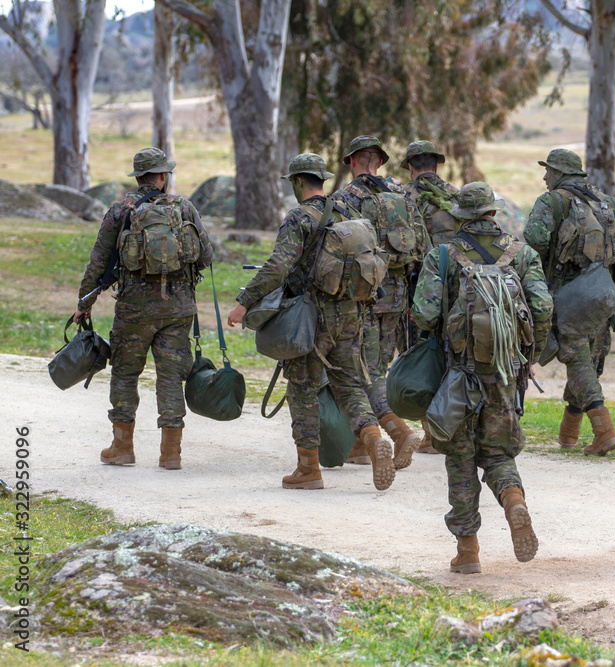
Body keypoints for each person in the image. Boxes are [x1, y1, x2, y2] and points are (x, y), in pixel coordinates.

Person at [227, 153, 395, 491]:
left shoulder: (299, 217)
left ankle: (308, 468)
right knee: (348, 384)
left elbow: (279, 265)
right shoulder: (349, 213)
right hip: (352, 314)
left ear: (297, 181)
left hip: (312, 317)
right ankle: (373, 435)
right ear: (322, 179)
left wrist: (244, 304)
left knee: (302, 388)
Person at [411, 182, 553, 574]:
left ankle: (468, 551)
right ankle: (513, 501)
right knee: (498, 453)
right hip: (506, 373)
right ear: (493, 213)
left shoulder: (443, 255)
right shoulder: (522, 255)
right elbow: (541, 307)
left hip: (458, 373)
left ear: (460, 217)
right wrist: (528, 357)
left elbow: (423, 314)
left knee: (460, 458)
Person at [73, 147, 215, 470]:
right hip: (178, 310)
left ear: (138, 178)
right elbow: (206, 255)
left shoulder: (120, 210)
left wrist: (85, 303)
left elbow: (98, 260)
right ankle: (171, 453)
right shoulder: (185, 207)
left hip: (134, 310)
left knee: (124, 372)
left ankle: (122, 447)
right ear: (162, 177)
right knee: (170, 376)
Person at [523, 148, 615, 456]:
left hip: (567, 294)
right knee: (590, 361)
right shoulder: (606, 202)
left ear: (560, 173)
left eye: (548, 171)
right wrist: (614, 286)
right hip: (601, 293)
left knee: (578, 362)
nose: (545, 176)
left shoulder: (552, 201)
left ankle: (605, 432)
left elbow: (533, 239)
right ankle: (569, 434)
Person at [335, 135, 427, 469]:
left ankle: (397, 433)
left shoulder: (346, 198)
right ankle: (360, 446)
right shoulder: (402, 196)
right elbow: (424, 250)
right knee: (377, 366)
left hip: (362, 298)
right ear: (380, 162)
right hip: (398, 296)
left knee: (360, 369)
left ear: (351, 161)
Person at [400, 139, 461, 456]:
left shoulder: (402, 198)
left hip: (418, 292)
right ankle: (448, 428)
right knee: (452, 356)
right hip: (458, 291)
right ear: (437, 165)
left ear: (411, 166)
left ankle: (430, 433)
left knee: (421, 355)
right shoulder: (457, 198)